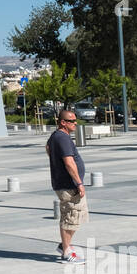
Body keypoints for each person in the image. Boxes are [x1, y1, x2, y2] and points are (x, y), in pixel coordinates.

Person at [47, 109, 88, 263]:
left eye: (75, 120)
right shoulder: (62, 138)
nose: (75, 123)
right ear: (63, 122)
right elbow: (69, 163)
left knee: (72, 216)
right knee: (71, 216)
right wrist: (79, 183)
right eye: (72, 121)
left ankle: (65, 245)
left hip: (64, 183)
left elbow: (47, 149)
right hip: (69, 185)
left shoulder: (55, 136)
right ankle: (66, 252)